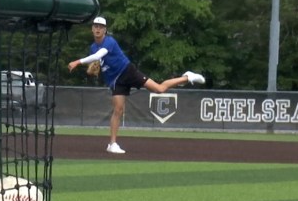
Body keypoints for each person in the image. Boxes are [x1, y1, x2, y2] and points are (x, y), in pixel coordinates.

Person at [67, 16, 205, 154]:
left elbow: (99, 55)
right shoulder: (93, 47)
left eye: (101, 27)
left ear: (105, 30)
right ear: (92, 29)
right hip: (115, 81)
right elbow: (96, 62)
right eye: (95, 26)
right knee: (118, 110)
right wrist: (94, 68)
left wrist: (77, 62)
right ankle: (112, 144)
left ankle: (187, 77)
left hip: (127, 71)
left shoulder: (109, 41)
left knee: (159, 89)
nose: (98, 29)